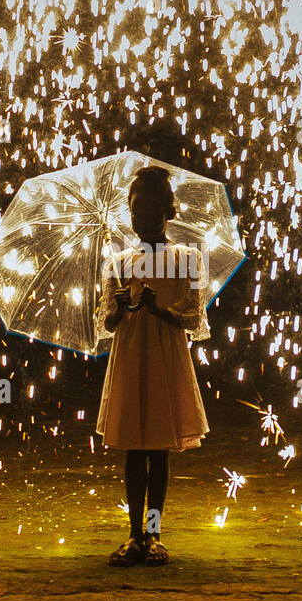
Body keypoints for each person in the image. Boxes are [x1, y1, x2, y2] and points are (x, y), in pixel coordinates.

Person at [96, 165, 210, 566]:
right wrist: (121, 307)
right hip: (130, 356)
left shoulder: (187, 259)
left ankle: (154, 534)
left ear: (168, 213)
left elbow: (193, 319)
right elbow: (107, 322)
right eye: (134, 213)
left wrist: (155, 308)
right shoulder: (119, 262)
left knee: (159, 449)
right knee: (132, 448)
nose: (140, 221)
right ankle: (133, 535)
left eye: (149, 213)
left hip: (164, 358)